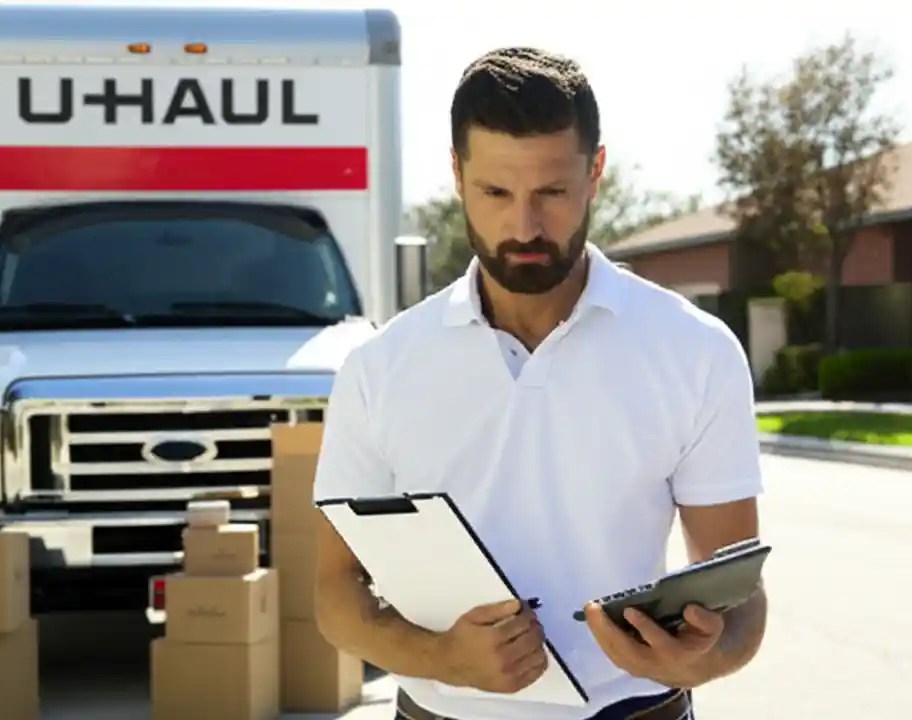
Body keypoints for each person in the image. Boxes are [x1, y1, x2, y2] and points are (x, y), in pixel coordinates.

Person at [311, 47, 768, 720]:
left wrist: (706, 653)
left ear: (595, 172)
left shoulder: (696, 351)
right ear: (457, 174)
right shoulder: (379, 368)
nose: (523, 227)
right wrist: (443, 658)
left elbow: (741, 597)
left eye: (552, 192)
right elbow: (335, 593)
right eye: (496, 193)